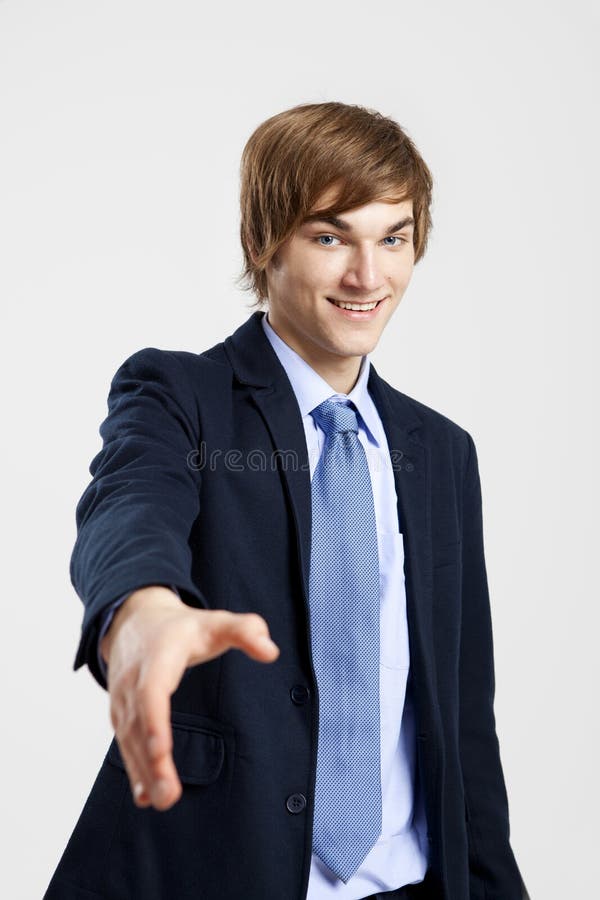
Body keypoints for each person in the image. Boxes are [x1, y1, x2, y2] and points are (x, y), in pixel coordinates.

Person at [45, 101, 529, 900]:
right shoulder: (180, 396)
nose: (367, 277)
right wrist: (141, 612)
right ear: (261, 243)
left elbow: (462, 726)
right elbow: (131, 503)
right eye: (330, 236)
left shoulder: (442, 453)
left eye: (394, 239)